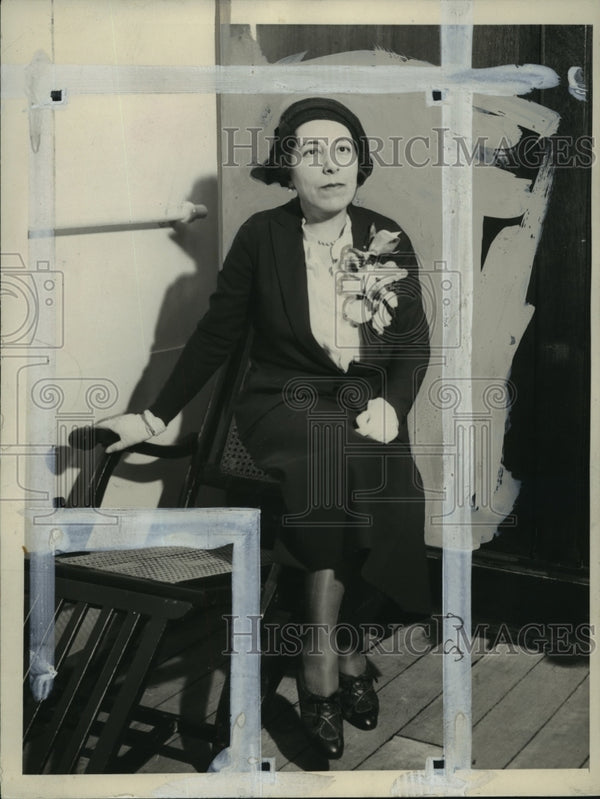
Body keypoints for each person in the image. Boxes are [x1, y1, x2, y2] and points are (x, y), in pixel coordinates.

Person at [98, 97, 431, 760]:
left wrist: (394, 402)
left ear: (360, 160)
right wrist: (154, 413)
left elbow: (412, 341)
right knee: (328, 463)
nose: (330, 165)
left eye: (342, 150)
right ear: (289, 166)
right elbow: (217, 334)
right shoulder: (261, 237)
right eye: (312, 151)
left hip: (361, 400)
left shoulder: (385, 236)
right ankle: (319, 664)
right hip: (282, 401)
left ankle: (346, 644)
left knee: (393, 483)